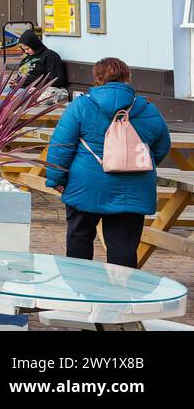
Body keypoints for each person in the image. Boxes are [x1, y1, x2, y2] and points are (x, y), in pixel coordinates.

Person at [46, 57, 171, 268]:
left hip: (85, 185)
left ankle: (80, 293)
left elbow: (61, 146)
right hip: (133, 188)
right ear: (127, 77)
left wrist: (55, 179)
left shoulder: (81, 106)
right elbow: (161, 147)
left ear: (97, 78)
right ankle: (121, 296)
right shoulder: (148, 109)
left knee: (80, 239)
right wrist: (134, 163)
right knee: (123, 248)